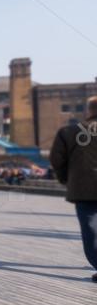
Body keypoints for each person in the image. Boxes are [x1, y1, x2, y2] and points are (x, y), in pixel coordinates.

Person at [50, 96, 97, 283]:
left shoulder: (68, 132)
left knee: (92, 232)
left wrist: (66, 179)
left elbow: (57, 160)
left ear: (88, 111)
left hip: (84, 190)